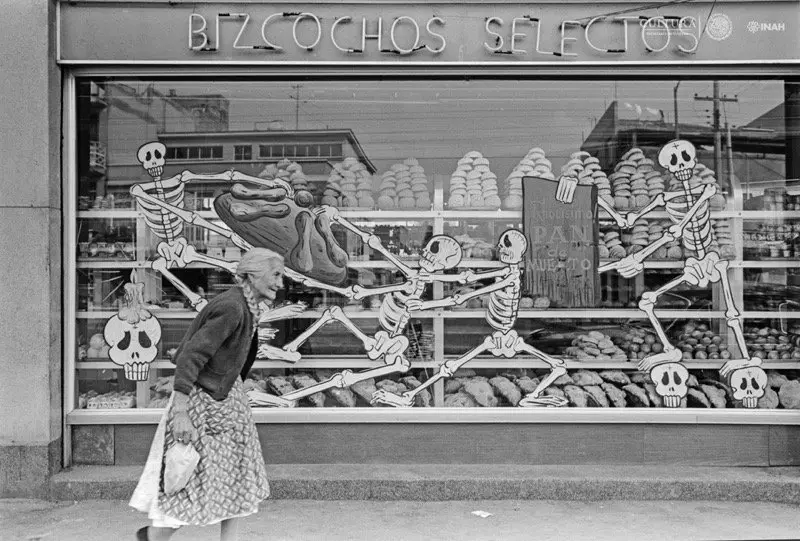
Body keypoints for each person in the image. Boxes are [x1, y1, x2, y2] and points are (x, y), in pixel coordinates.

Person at [130, 248, 296, 541]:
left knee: (234, 479)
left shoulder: (248, 306)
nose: (281, 284)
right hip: (200, 404)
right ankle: (154, 536)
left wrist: (235, 386)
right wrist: (181, 412)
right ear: (253, 274)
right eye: (276, 275)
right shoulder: (232, 307)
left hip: (225, 401)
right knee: (190, 480)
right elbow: (190, 356)